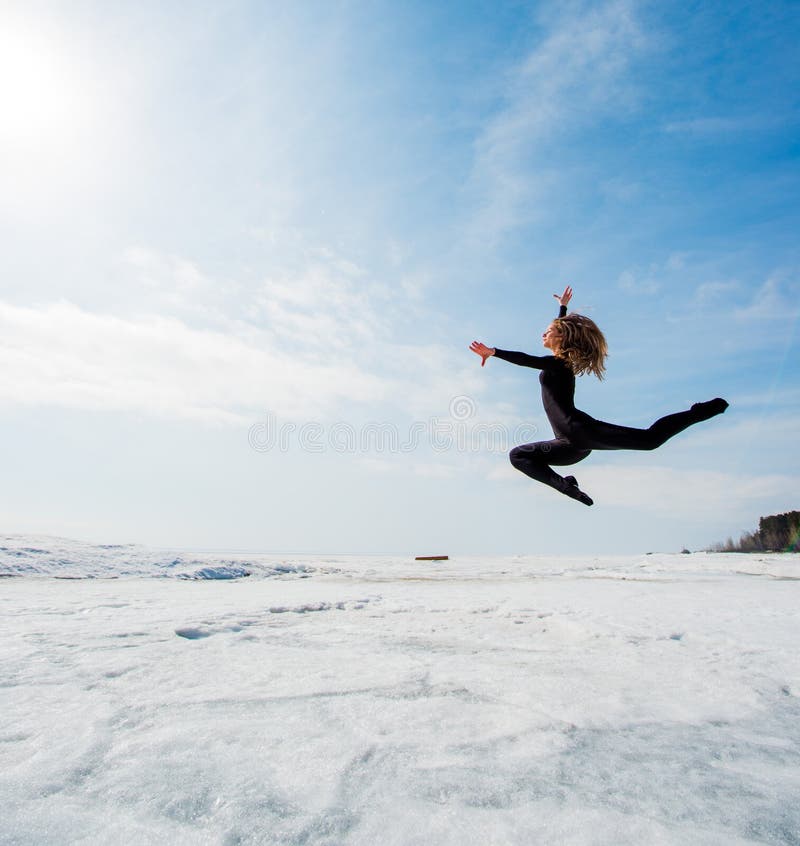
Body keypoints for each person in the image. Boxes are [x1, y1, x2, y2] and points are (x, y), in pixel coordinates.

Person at [469, 286, 728, 506]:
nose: (543, 333)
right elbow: (559, 333)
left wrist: (494, 352)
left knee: (650, 440)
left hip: (579, 432)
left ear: (560, 335)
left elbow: (528, 360)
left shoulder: (558, 364)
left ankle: (700, 412)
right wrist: (562, 309)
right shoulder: (561, 361)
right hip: (570, 447)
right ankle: (567, 486)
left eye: (548, 330)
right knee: (518, 455)